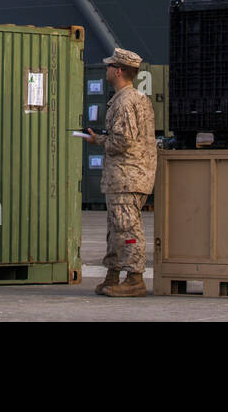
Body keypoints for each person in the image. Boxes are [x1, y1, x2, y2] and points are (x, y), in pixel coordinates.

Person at [83, 48, 155, 297]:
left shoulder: (125, 101)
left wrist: (99, 142)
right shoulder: (134, 99)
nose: (106, 70)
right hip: (127, 176)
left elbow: (123, 141)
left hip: (127, 176)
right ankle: (113, 274)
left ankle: (135, 278)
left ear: (119, 70)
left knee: (127, 229)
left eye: (109, 66)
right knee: (117, 228)